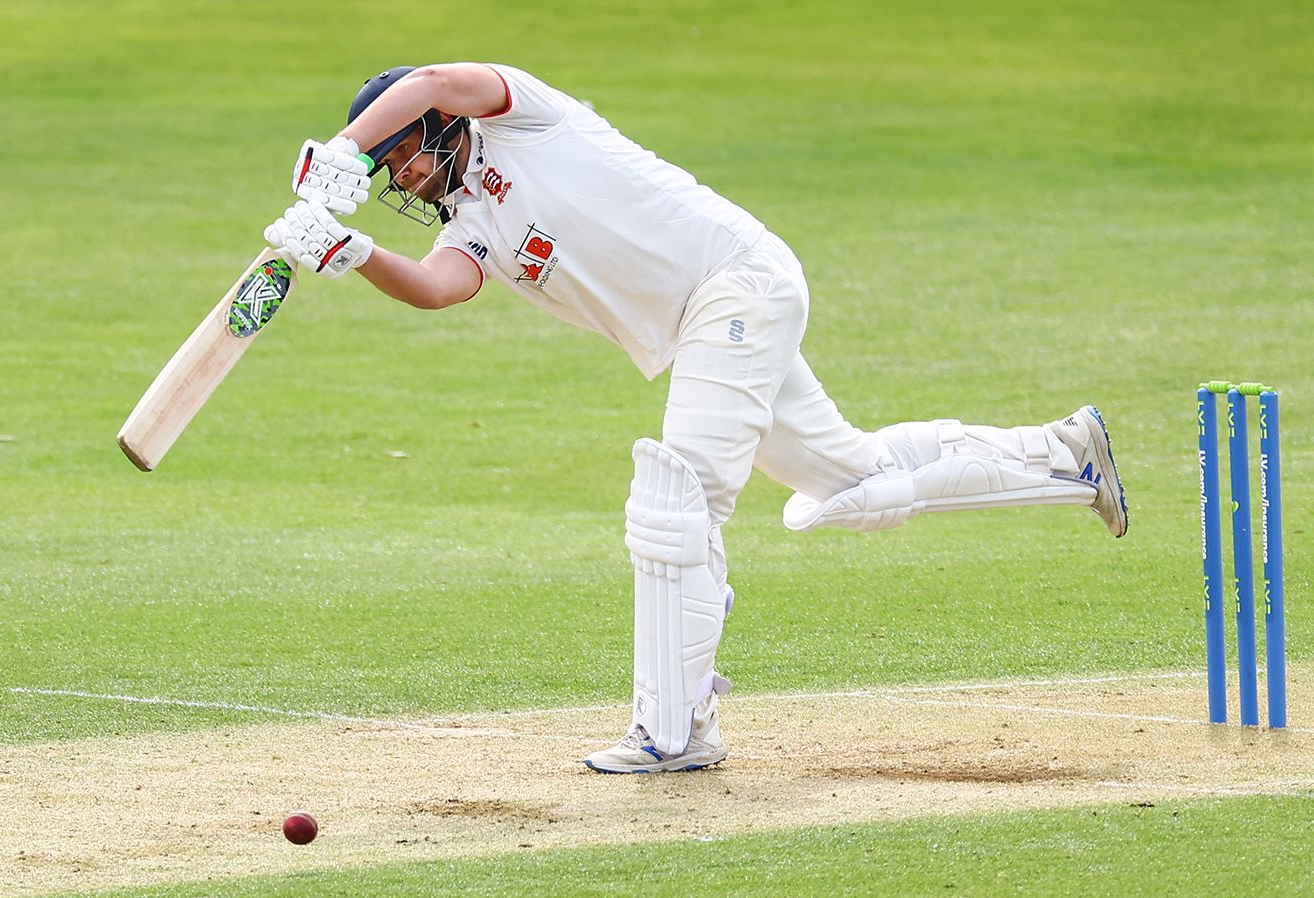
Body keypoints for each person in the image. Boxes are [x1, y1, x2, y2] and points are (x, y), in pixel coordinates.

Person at [264, 63, 1128, 774]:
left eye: (401, 153)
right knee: (848, 477)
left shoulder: (521, 117)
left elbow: (433, 79)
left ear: (439, 125)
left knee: (679, 498)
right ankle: (1064, 456)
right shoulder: (472, 224)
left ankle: (675, 729)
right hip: (708, 322)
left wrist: (342, 150)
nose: (403, 176)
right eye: (388, 170)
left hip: (734, 283)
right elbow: (435, 287)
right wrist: (354, 251)